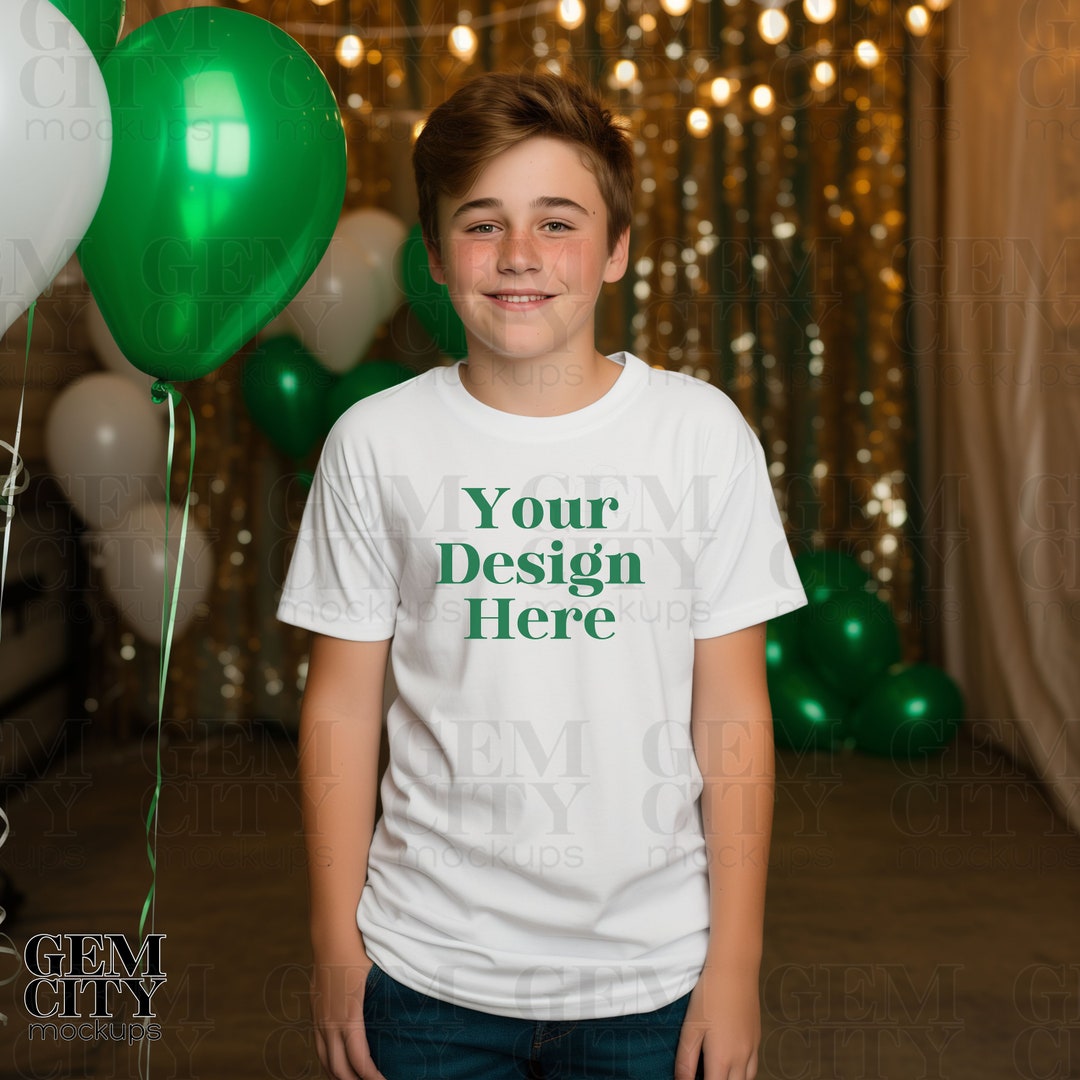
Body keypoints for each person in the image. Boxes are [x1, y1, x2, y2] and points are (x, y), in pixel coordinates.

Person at [277, 69, 807, 1080]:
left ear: (615, 251)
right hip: (425, 972)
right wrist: (335, 944)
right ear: (434, 255)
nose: (519, 255)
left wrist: (734, 962)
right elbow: (341, 708)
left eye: (557, 222)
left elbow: (734, 714)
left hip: (651, 980)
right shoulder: (375, 444)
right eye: (482, 224)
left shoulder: (698, 437)